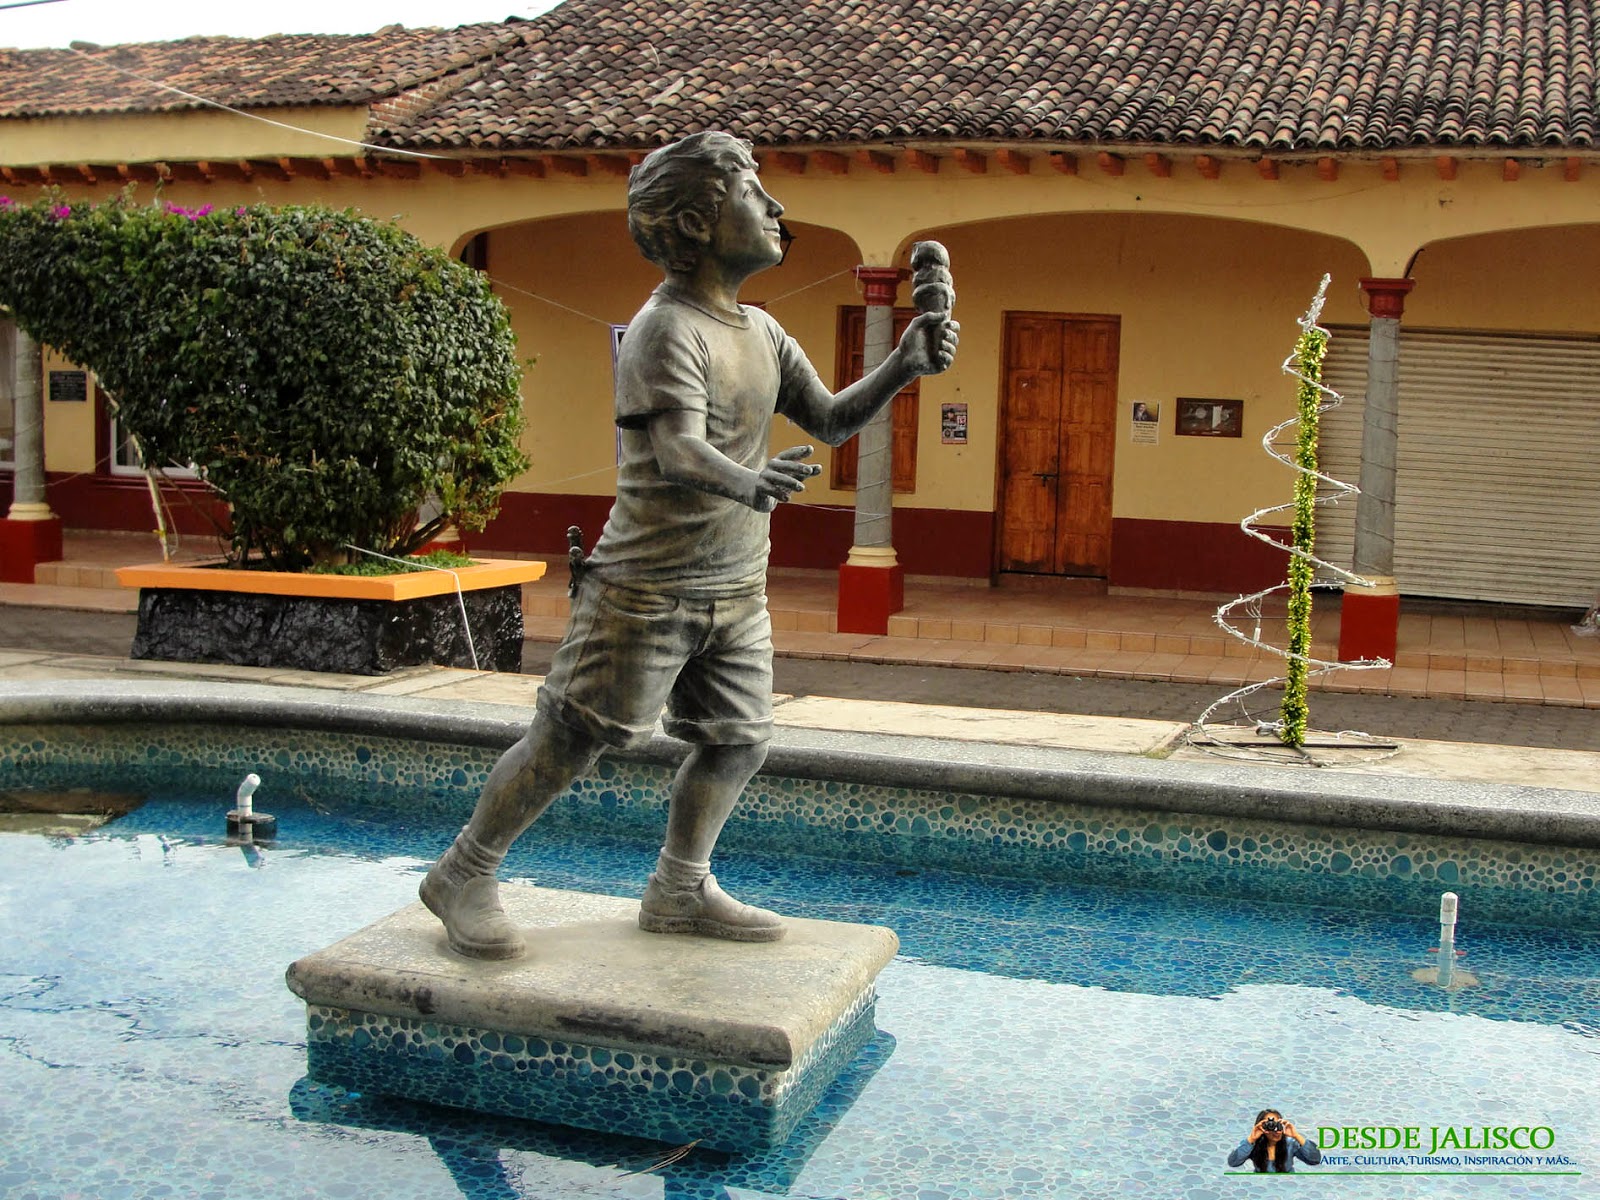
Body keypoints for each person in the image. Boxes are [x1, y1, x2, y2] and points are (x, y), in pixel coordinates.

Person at [420, 131, 960, 959]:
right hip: (646, 582)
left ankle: (680, 887)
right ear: (698, 222)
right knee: (573, 738)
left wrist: (900, 366)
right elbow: (676, 450)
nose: (777, 208)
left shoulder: (761, 331)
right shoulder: (663, 329)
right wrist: (748, 483)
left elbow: (828, 419)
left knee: (740, 739)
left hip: (736, 586)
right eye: (753, 192)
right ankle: (464, 870)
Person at [1227, 1109, 1322, 1173]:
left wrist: (1296, 1135)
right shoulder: (1252, 1145)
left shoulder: (1290, 1143)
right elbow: (1233, 1162)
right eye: (1269, 1125)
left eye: (1277, 1125)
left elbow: (1315, 1160)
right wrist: (1251, 1138)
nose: (1275, 1130)